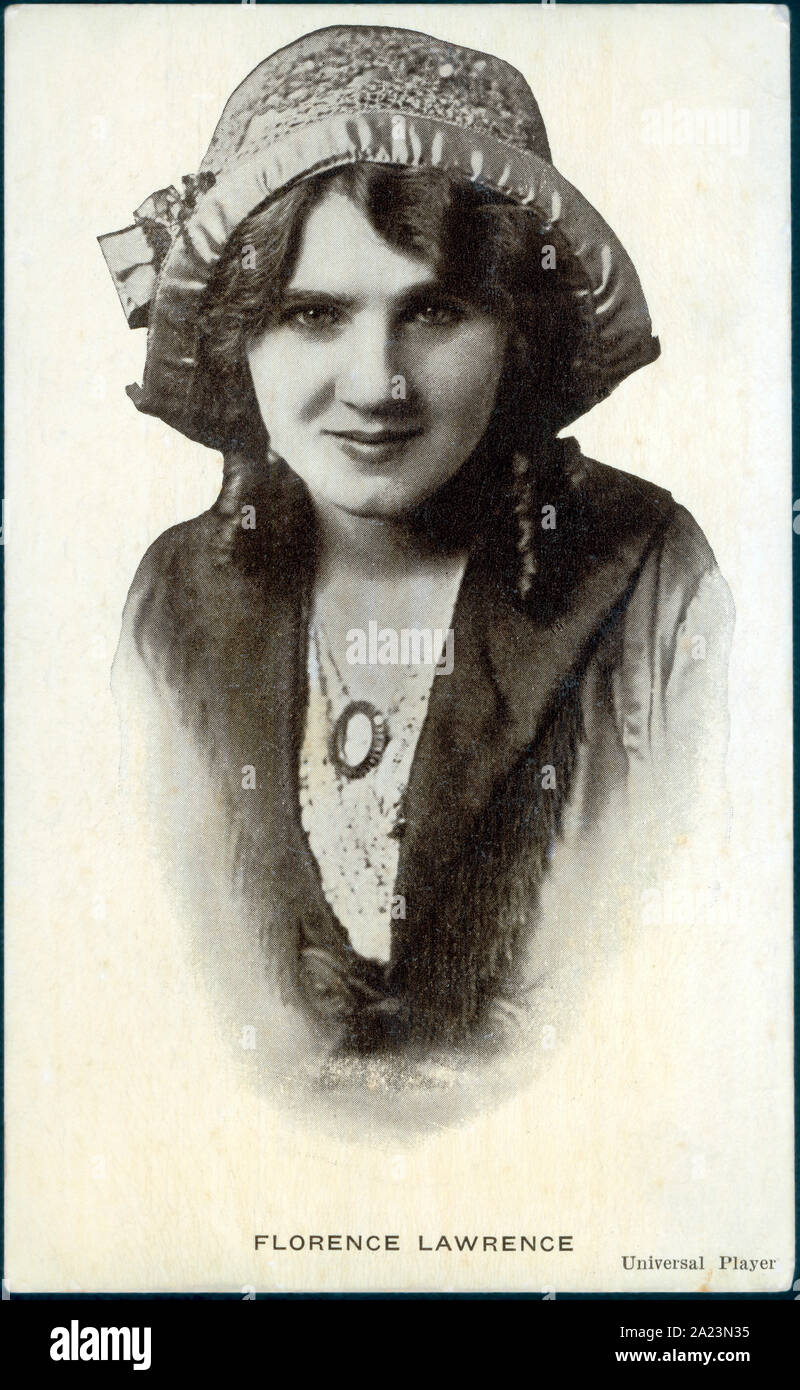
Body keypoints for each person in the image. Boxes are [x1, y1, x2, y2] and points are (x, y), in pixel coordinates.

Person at [103, 25, 734, 1085]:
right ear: (239, 339)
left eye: (433, 311)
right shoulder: (174, 597)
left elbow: (701, 991)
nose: (374, 383)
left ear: (517, 333)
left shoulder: (652, 579)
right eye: (312, 314)